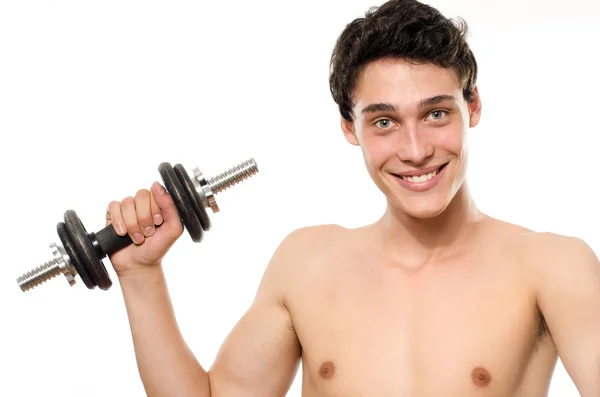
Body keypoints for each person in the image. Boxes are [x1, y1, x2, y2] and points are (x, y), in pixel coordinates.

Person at [105, 0, 600, 395]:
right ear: (350, 127)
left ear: (472, 107)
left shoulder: (552, 266)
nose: (415, 150)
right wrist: (141, 274)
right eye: (384, 122)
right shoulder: (307, 263)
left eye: (436, 114)